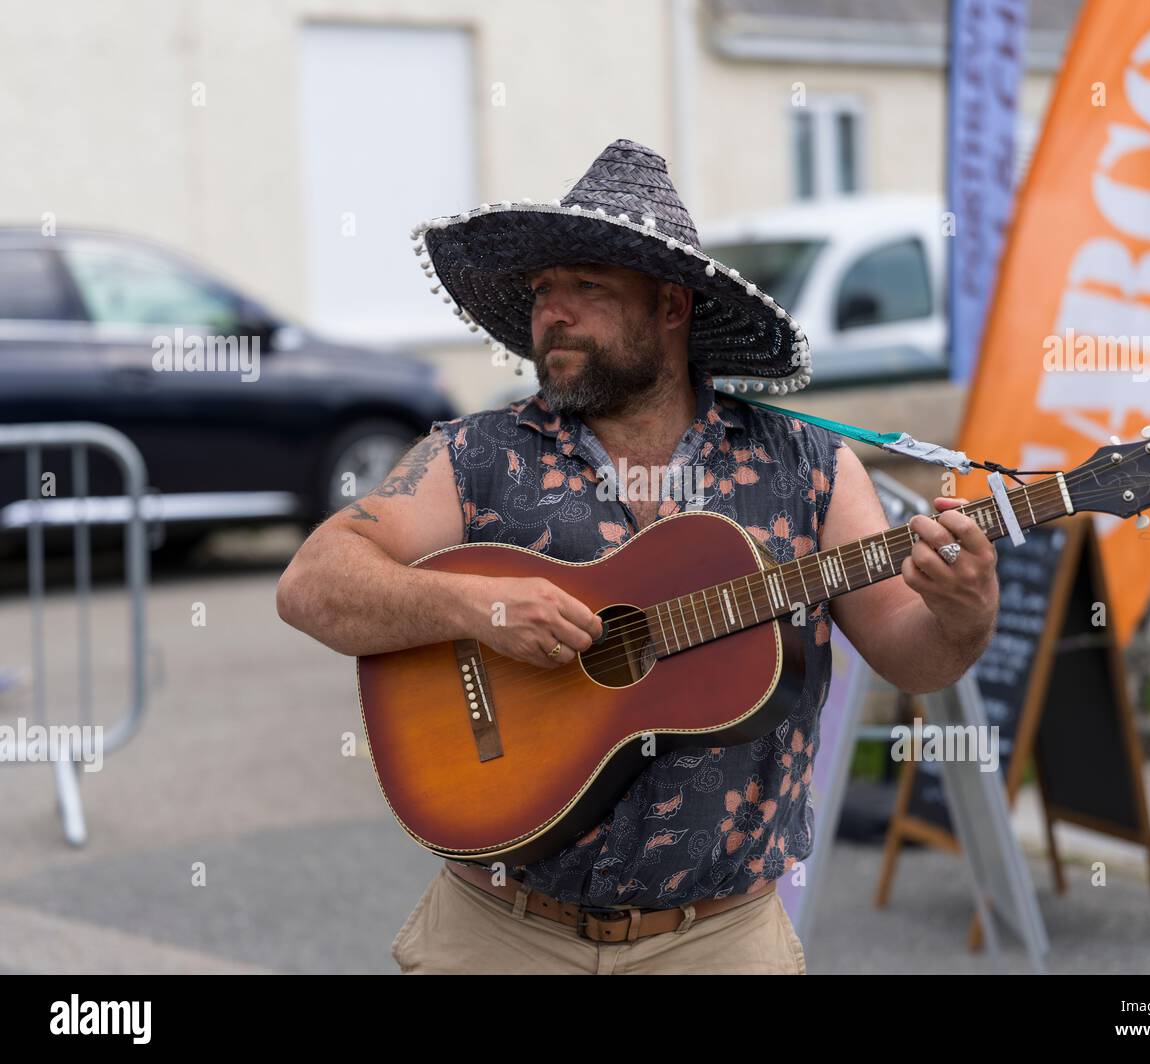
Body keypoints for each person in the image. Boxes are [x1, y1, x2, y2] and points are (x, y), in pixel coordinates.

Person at [276, 139, 999, 975]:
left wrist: (965, 612)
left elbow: (913, 656)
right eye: (544, 290)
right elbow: (311, 584)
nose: (553, 312)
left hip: (720, 943)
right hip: (497, 934)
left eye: (587, 286)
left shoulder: (810, 468)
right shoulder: (476, 455)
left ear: (670, 307)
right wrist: (479, 607)